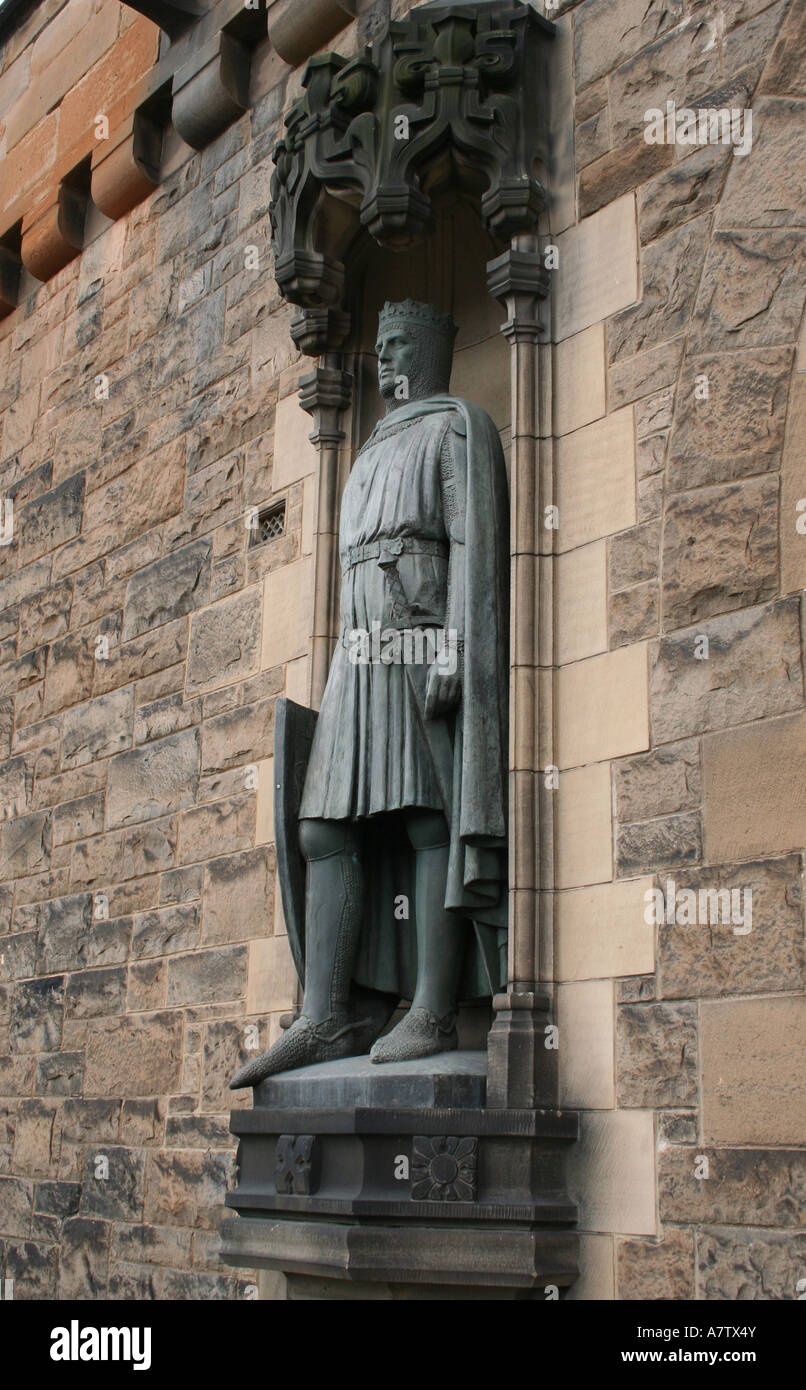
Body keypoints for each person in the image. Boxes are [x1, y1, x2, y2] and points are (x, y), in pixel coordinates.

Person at [231, 300, 509, 1088]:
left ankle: (432, 1009)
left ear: (430, 347)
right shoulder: (363, 453)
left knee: (428, 818)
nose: (385, 361)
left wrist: (456, 643)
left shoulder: (456, 426)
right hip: (358, 655)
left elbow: (471, 547)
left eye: (397, 346)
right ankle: (326, 1016)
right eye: (378, 346)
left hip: (421, 642)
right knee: (324, 828)